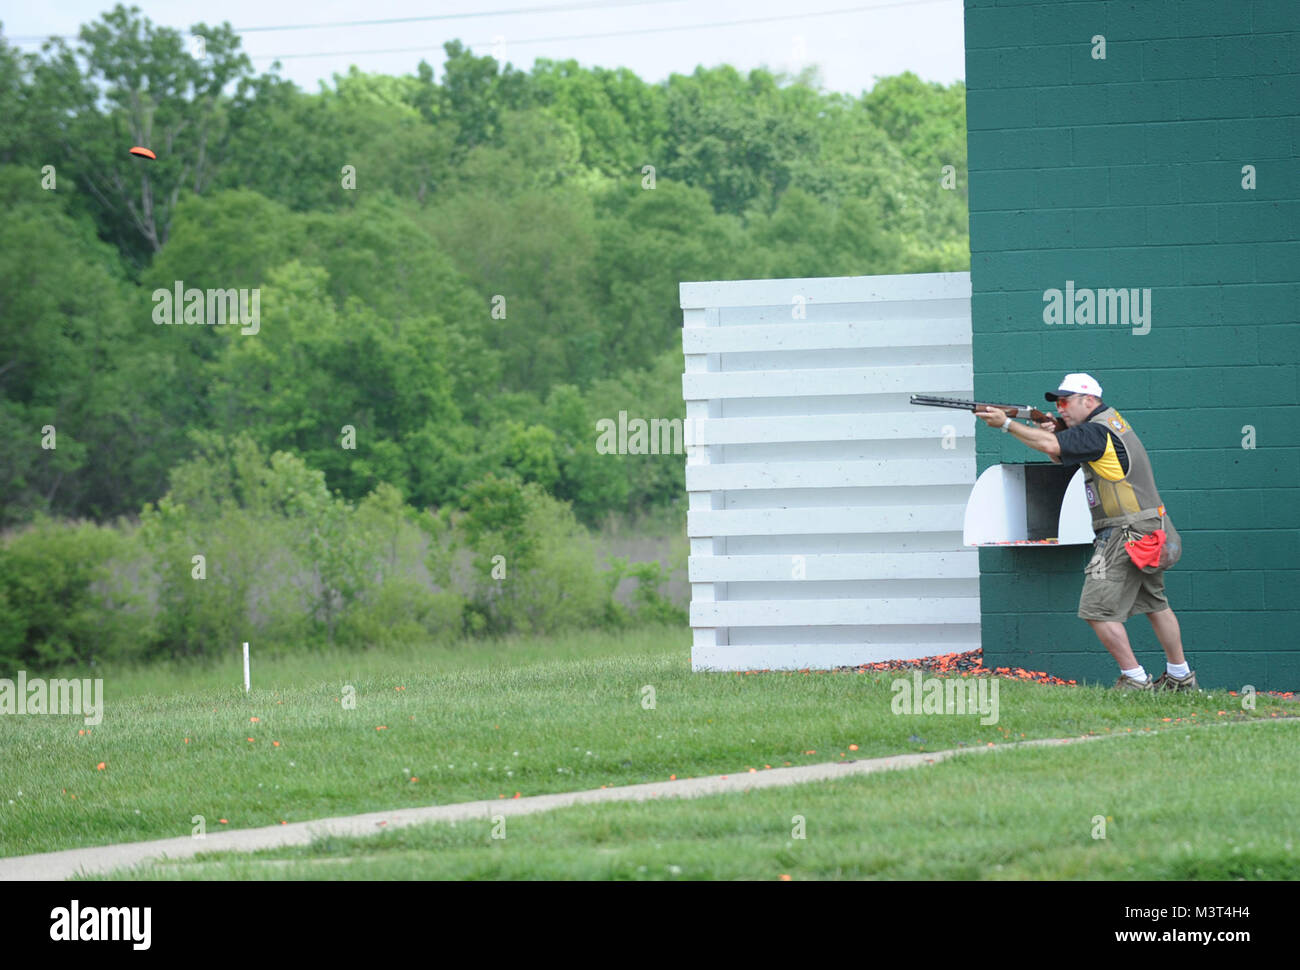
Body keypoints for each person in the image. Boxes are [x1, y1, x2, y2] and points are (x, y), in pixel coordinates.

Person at [973, 373, 1196, 692]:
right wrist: (1051, 429)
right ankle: (1181, 677)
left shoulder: (1095, 431)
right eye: (1058, 403)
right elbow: (1059, 453)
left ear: (1088, 401)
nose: (1061, 408)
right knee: (1155, 604)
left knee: (1096, 610)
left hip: (1125, 531)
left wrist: (1007, 425)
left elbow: (1052, 445)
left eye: (1066, 401)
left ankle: (1135, 680)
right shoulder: (1109, 422)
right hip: (1148, 525)